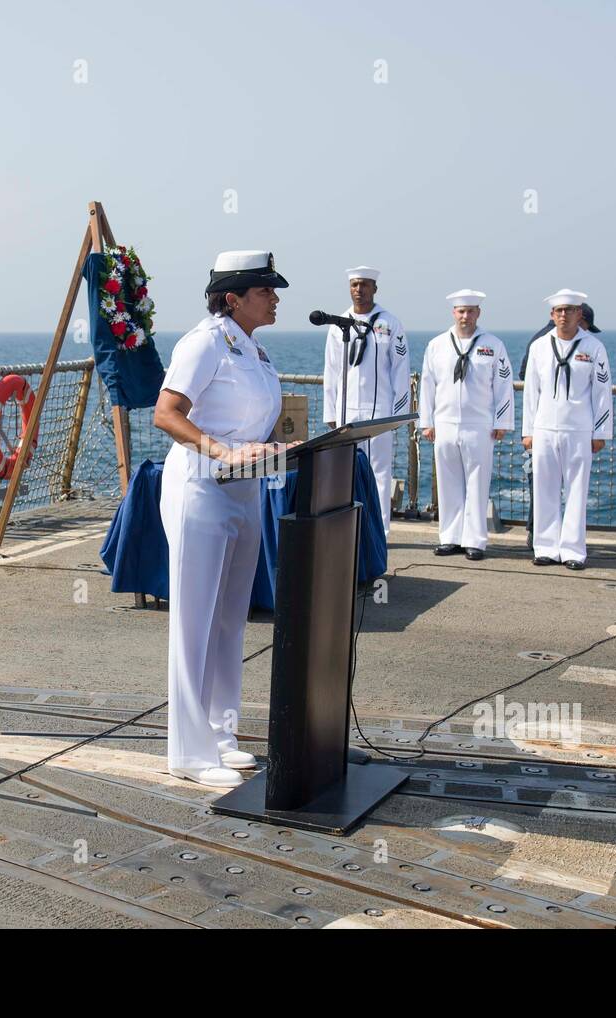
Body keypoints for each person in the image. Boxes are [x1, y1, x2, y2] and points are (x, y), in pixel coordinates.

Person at [153, 251, 291, 788]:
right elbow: (166, 412)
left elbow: (254, 423)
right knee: (194, 622)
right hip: (201, 489)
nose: (275, 299)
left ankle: (220, 732)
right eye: (266, 290)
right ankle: (188, 750)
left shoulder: (256, 351)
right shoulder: (205, 341)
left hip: (245, 490)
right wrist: (218, 451)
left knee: (232, 618)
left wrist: (283, 446)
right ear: (233, 297)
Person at [521, 290, 613, 570]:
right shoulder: (540, 346)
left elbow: (602, 393)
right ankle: (545, 547)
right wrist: (528, 431)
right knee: (545, 487)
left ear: (579, 315)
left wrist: (601, 433)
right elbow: (531, 393)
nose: (564, 315)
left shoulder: (594, 347)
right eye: (559, 310)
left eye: (570, 310)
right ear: (552, 315)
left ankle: (573, 549)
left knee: (576, 490)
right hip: (545, 427)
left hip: (579, 428)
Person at [418, 289, 513, 560]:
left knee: (477, 483)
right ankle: (450, 537)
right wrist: (427, 421)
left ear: (478, 313)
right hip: (445, 422)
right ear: (453, 313)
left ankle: (475, 540)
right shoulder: (437, 344)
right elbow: (427, 384)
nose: (465, 316)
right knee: (447, 482)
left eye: (470, 311)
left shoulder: (493, 345)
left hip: (479, 423)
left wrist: (502, 420)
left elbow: (504, 385)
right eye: (461, 311)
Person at [322, 266, 411, 537]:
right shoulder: (339, 324)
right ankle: (349, 529)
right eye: (354, 285)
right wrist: (331, 410)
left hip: (379, 411)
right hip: (347, 410)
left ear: (374, 288)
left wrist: (398, 415)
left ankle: (379, 532)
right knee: (345, 471)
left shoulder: (390, 324)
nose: (359, 290)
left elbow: (401, 370)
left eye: (364, 285)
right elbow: (332, 370)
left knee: (379, 474)